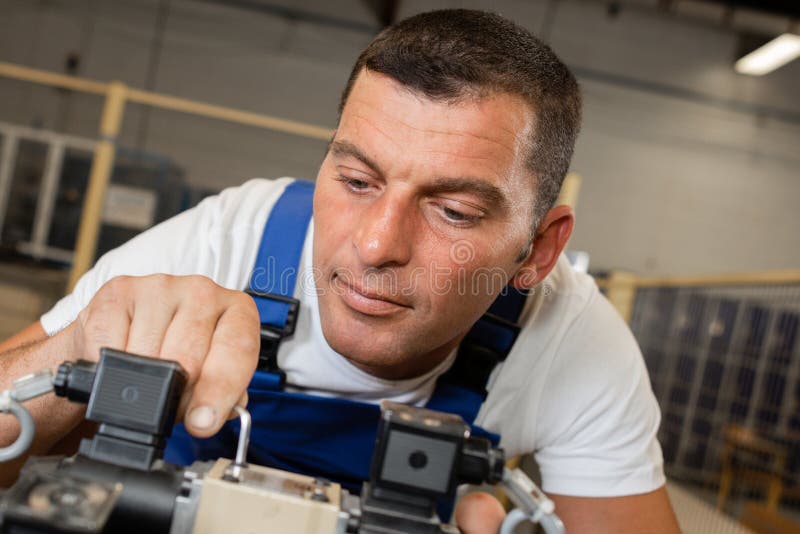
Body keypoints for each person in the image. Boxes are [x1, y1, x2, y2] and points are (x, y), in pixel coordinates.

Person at [0, 9, 679, 533]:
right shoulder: (234, 244)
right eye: (356, 179)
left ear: (536, 252)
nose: (378, 243)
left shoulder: (570, 343)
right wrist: (76, 352)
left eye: (452, 211)